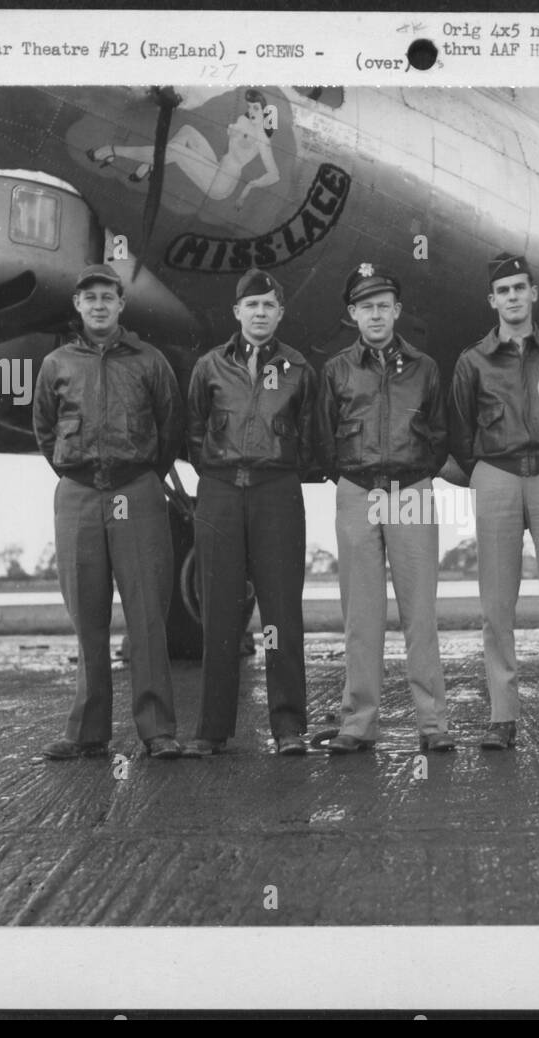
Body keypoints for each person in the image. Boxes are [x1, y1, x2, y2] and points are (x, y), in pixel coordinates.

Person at [32, 263, 185, 761]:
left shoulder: (150, 360)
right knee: (87, 614)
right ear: (77, 305)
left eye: (108, 297)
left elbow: (170, 428)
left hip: (136, 488)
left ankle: (158, 729)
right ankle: (87, 731)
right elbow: (43, 429)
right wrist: (80, 475)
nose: (99, 305)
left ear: (121, 305)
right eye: (89, 297)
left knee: (147, 614)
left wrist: (140, 476)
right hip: (78, 492)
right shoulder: (56, 364)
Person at [449, 253, 539, 751]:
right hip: (497, 475)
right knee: (496, 607)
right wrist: (487, 474)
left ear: (534, 293)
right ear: (492, 300)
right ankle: (501, 717)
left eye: (520, 288)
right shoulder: (473, 361)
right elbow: (459, 429)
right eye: (503, 290)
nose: (512, 297)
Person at [314, 263, 452, 754]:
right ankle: (359, 722)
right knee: (361, 613)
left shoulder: (425, 368)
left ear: (397, 310)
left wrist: (411, 474)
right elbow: (323, 436)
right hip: (356, 489)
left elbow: (439, 435)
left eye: (383, 305)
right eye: (365, 306)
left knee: (420, 611)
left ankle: (433, 723)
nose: (376, 314)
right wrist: (354, 477)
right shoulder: (336, 370)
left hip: (412, 488)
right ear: (353, 314)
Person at [186, 268, 318, 756]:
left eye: (269, 305)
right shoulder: (209, 367)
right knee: (219, 610)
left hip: (276, 491)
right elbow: (194, 429)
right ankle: (211, 730)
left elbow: (312, 433)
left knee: (281, 610)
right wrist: (221, 473)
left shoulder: (299, 368)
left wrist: (278, 472)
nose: (260, 313)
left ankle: (288, 728)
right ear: (237, 312)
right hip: (220, 489)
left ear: (280, 313)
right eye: (252, 305)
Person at [88, 88, 280, 207]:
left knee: (177, 152)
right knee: (187, 131)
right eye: (250, 107)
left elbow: (274, 175)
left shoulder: (262, 138)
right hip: (216, 168)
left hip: (220, 185)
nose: (252, 111)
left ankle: (111, 151)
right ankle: (149, 165)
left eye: (256, 108)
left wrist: (249, 187)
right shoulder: (244, 122)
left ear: (265, 112)